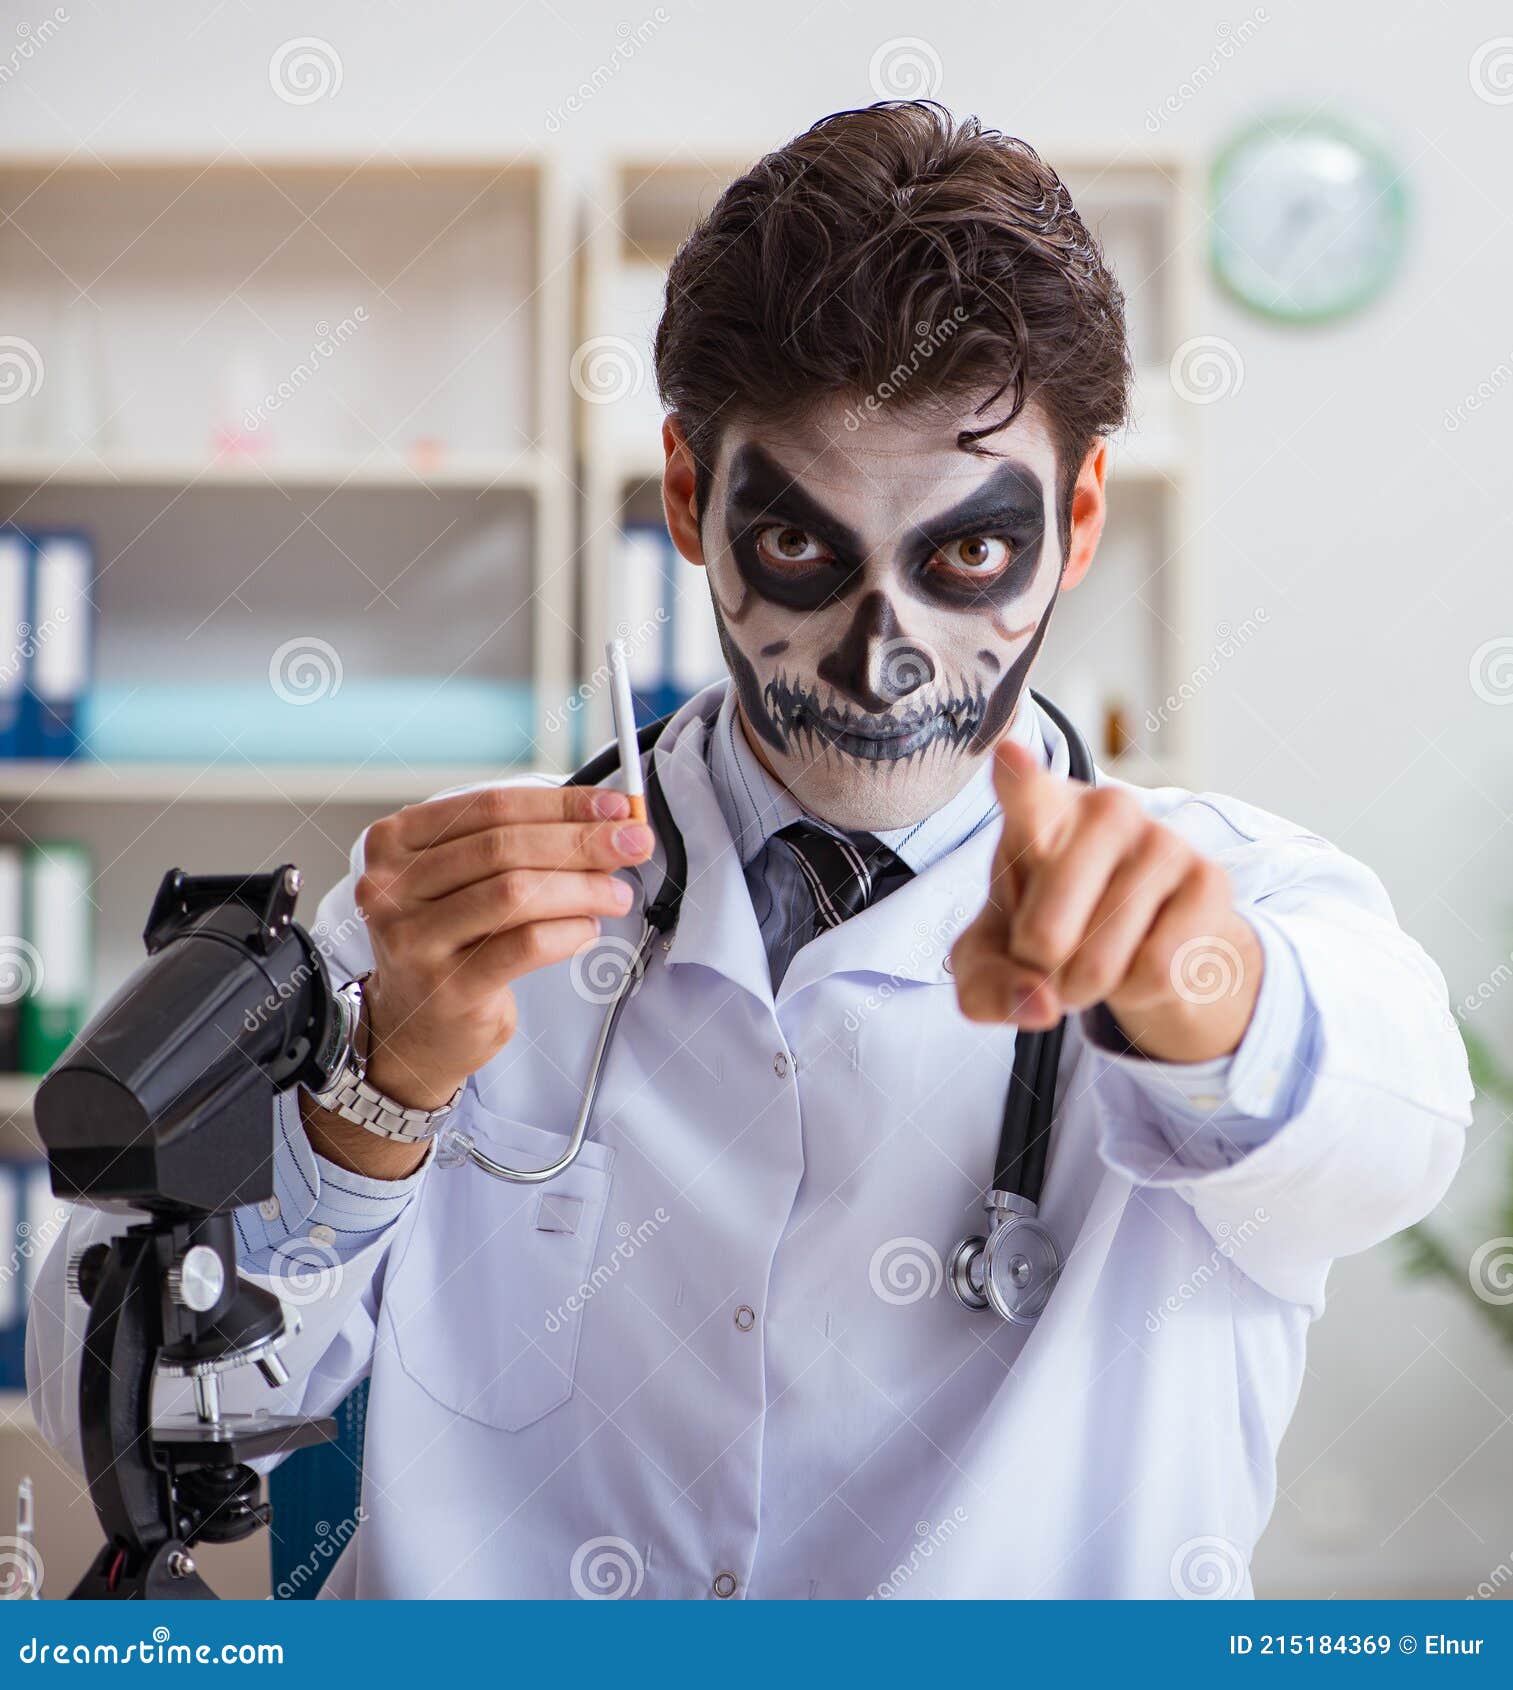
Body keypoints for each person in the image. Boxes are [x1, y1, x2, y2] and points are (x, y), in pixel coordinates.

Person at [28, 100, 1471, 1600]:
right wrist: (370, 1106)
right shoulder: (439, 921)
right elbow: (114, 1424)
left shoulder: (1246, 904)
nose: (884, 659)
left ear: (1081, 514)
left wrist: (1209, 992)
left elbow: (1391, 1136)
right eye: (799, 548)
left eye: (966, 552)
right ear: (687, 500)